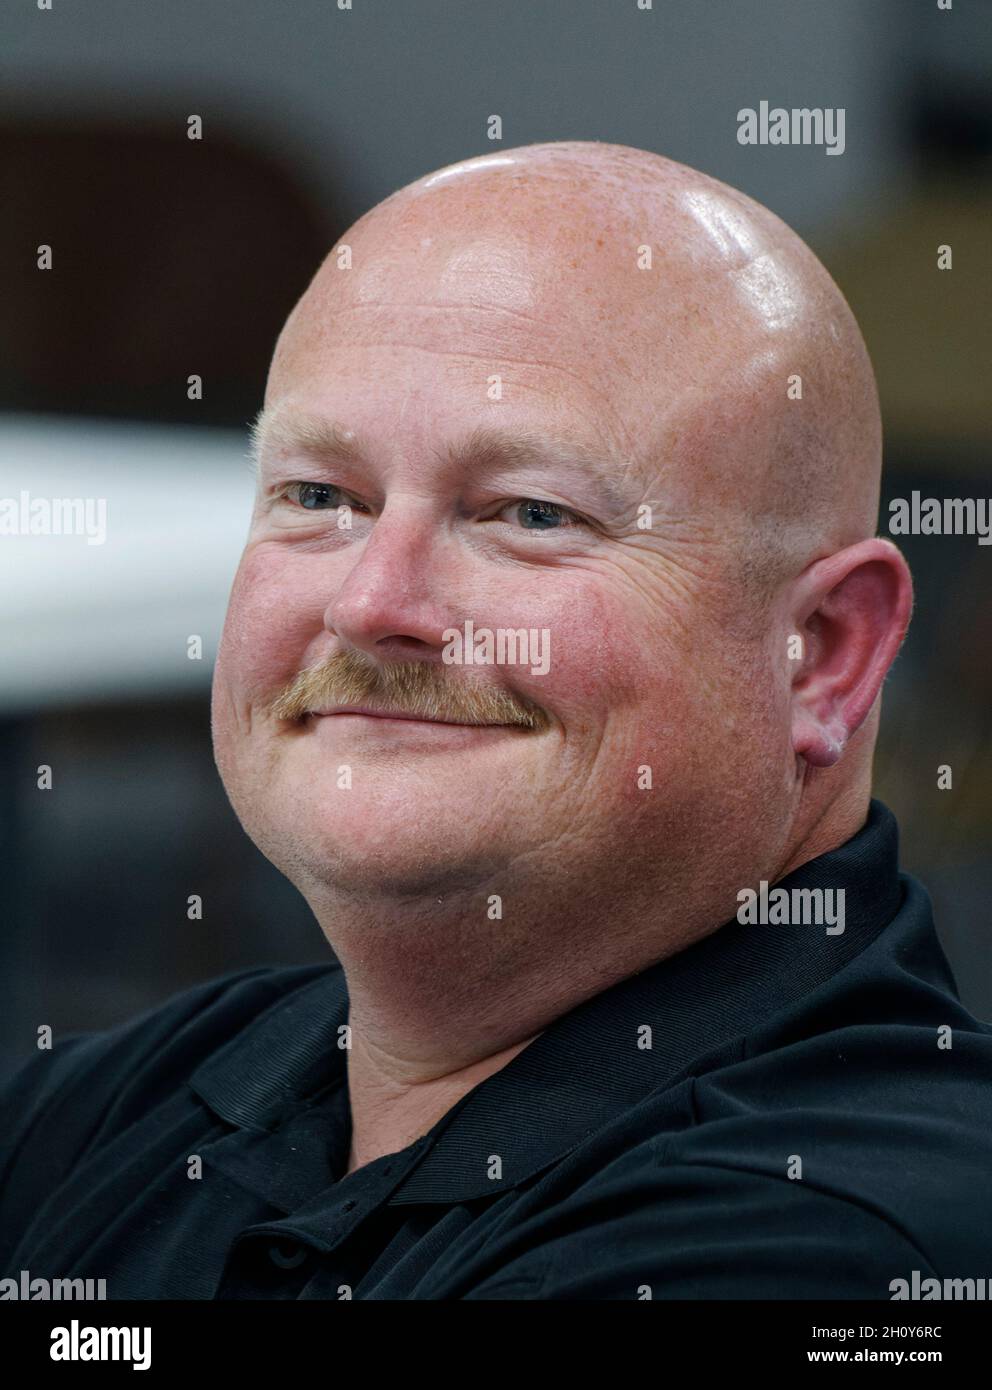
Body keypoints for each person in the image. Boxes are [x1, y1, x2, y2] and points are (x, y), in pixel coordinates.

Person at [3, 142, 990, 1301]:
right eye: (319, 496)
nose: (372, 603)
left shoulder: (820, 1235)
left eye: (530, 512)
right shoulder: (139, 1099)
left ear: (819, 655)